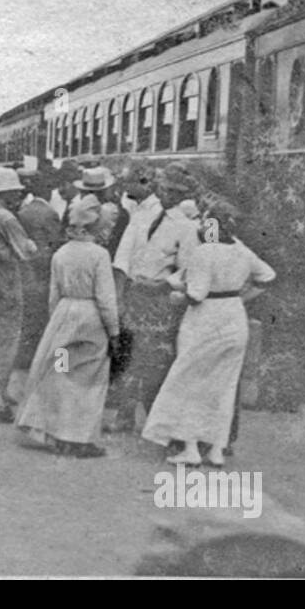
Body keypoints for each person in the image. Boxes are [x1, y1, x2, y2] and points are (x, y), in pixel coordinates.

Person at [141, 202, 276, 466]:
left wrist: (176, 297)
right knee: (224, 387)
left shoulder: (204, 252)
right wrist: (240, 297)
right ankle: (215, 450)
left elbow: (195, 294)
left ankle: (190, 448)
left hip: (205, 320)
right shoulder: (241, 250)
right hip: (234, 317)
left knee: (189, 382)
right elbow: (268, 276)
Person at [15, 195, 120, 458]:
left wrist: (56, 322)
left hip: (64, 314)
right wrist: (115, 331)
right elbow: (106, 298)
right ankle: (80, 437)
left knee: (59, 372)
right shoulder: (99, 255)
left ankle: (56, 432)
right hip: (91, 316)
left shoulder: (60, 254)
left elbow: (53, 294)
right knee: (88, 377)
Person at [109, 162, 200, 434]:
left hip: (159, 301)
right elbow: (122, 259)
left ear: (184, 194)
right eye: (165, 188)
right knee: (126, 353)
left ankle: (154, 418)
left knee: (153, 360)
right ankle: (124, 415)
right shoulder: (140, 217)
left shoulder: (186, 227)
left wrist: (162, 285)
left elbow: (187, 269)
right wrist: (120, 294)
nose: (168, 193)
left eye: (176, 190)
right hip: (134, 294)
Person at [0, 167, 39, 423]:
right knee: (5, 345)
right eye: (15, 191)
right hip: (8, 285)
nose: (18, 196)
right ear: (7, 192)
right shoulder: (6, 218)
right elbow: (26, 251)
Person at [9, 169, 64, 405]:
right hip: (43, 276)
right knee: (44, 327)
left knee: (26, 328)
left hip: (25, 273)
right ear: (49, 190)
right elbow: (56, 244)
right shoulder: (50, 213)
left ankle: (18, 381)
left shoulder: (23, 212)